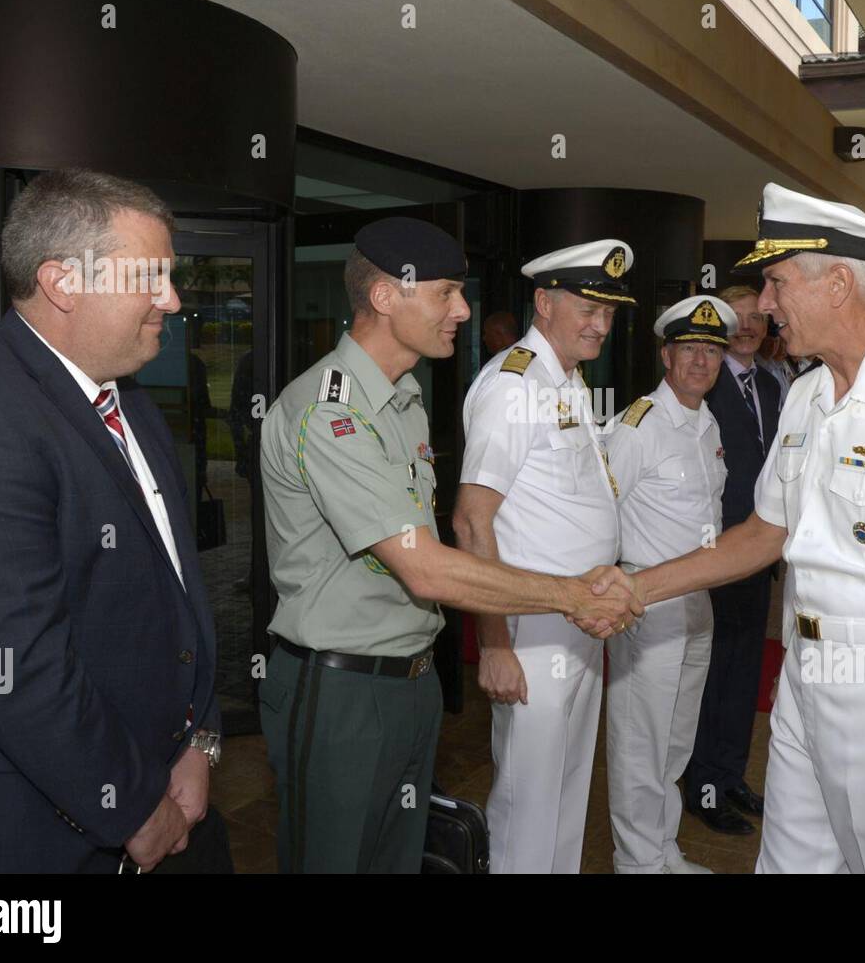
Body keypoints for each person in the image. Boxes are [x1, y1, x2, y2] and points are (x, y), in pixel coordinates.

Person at [592, 181, 865, 873]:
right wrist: (635, 586)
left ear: (839, 283)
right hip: (804, 678)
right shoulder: (808, 394)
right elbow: (763, 533)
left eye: (777, 284)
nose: (763, 305)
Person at [258, 220, 639, 874]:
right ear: (385, 297)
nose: (464, 310)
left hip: (409, 676)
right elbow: (428, 564)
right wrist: (570, 596)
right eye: (445, 294)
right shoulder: (330, 411)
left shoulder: (403, 400)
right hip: (340, 688)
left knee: (399, 859)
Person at [0, 169, 224, 873]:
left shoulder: (132, 403)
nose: (171, 300)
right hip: (28, 835)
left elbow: (180, 596)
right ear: (63, 283)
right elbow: (9, 660)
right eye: (152, 277)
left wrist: (200, 741)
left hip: (164, 796)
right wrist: (132, 803)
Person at [453, 238, 637, 874]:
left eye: (609, 313)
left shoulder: (568, 379)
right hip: (532, 628)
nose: (600, 324)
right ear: (542, 302)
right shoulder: (513, 383)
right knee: (528, 800)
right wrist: (495, 644)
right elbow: (472, 523)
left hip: (579, 621)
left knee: (566, 785)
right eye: (587, 307)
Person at [604, 295, 736, 874]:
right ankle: (636, 862)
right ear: (666, 354)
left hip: (698, 602)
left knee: (676, 736)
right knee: (640, 740)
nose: (701, 362)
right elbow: (599, 510)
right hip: (647, 603)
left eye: (711, 351)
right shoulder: (637, 426)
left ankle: (661, 848)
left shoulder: (708, 423)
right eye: (690, 350)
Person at [683, 283, 780, 836]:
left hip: (757, 553)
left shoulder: (770, 385)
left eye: (756, 319)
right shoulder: (703, 383)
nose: (747, 328)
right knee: (712, 673)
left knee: (744, 670)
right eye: (735, 320)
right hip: (715, 551)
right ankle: (704, 786)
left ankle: (732, 772)